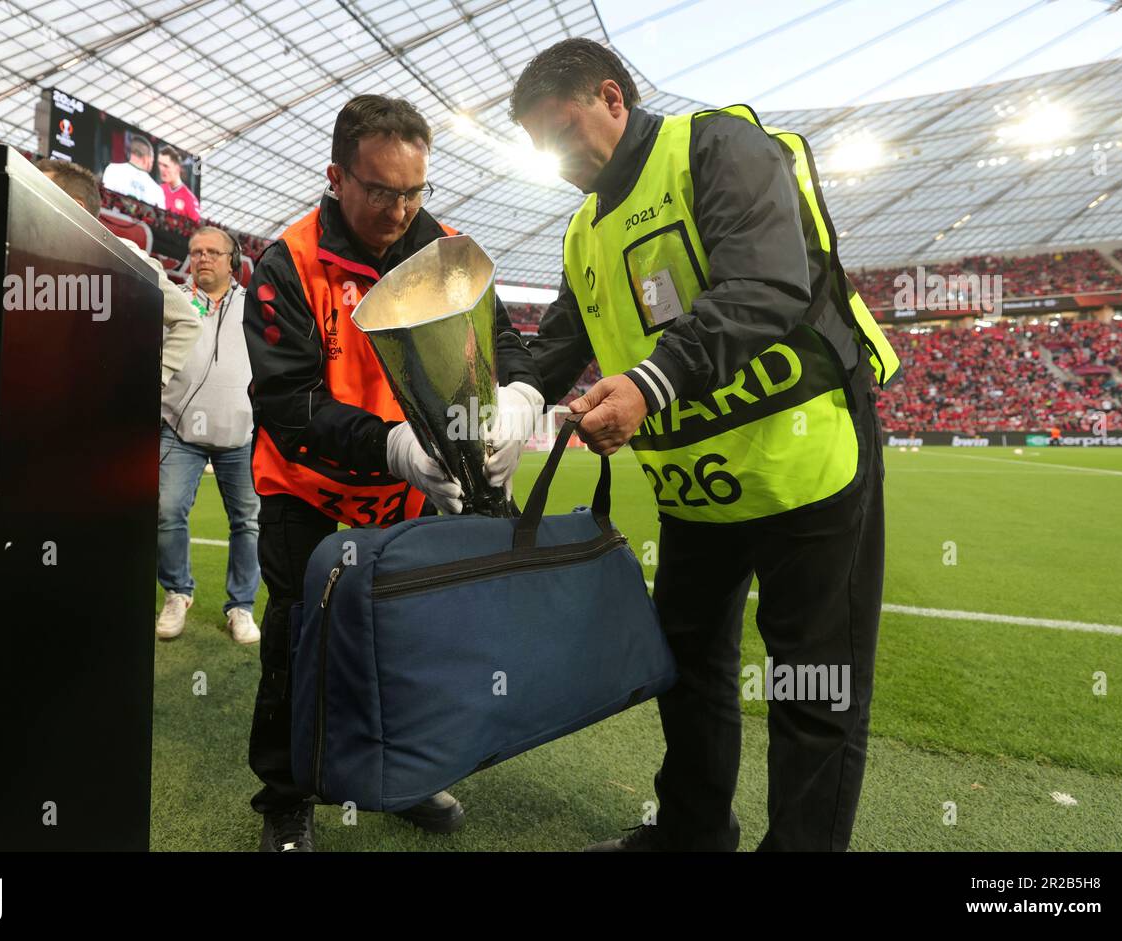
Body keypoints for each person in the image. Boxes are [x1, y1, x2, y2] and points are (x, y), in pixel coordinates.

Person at [509, 39, 901, 851]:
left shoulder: (714, 146)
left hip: (808, 474)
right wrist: (495, 406)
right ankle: (692, 832)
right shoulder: (582, 232)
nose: (553, 159)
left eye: (561, 130)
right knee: (685, 666)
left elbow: (765, 283)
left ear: (612, 98)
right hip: (699, 493)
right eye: (538, 144)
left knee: (811, 688)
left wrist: (650, 385)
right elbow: (550, 351)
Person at [242, 94, 543, 852]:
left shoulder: (442, 247)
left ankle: (401, 772)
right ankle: (286, 794)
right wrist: (396, 446)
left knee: (409, 630)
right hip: (305, 483)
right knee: (297, 635)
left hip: (407, 488)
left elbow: (501, 338)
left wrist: (516, 398)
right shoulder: (288, 262)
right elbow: (289, 403)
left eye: (415, 191)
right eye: (381, 191)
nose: (400, 209)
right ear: (338, 176)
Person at [156, 226, 260, 644]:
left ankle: (241, 606)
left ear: (232, 260)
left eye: (212, 252)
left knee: (248, 523)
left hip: (241, 432)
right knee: (165, 512)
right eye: (195, 252)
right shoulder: (174, 300)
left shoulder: (254, 306)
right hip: (179, 428)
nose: (202, 259)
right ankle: (178, 593)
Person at [36, 158, 200, 389]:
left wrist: (153, 380)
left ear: (76, 207)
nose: (28, 198)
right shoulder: (30, 250)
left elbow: (188, 320)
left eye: (37, 191)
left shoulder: (126, 259)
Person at [101, 135, 166, 208]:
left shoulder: (112, 169)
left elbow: (105, 200)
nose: (152, 163)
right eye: (152, 160)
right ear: (146, 158)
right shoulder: (156, 190)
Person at [158, 146, 201, 223]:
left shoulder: (190, 199)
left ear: (177, 168)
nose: (161, 169)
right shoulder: (158, 189)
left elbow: (195, 227)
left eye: (165, 166)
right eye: (160, 165)